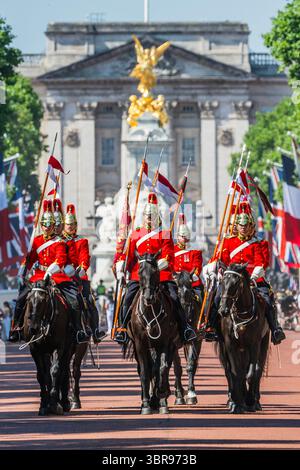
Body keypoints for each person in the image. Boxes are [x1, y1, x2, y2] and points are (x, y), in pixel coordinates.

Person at [113, 192, 196, 343]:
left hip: (161, 276)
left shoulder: (165, 234)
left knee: (175, 299)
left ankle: (185, 329)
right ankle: (122, 329)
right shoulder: (136, 234)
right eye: (147, 216)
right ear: (143, 217)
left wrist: (154, 268)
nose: (149, 219)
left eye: (152, 216)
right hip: (138, 277)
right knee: (126, 300)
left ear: (158, 216)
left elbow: (169, 257)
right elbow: (129, 256)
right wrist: (121, 268)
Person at [9, 200, 90, 344]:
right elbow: (30, 258)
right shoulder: (37, 241)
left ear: (54, 226)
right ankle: (17, 328)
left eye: (49, 225)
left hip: (57, 276)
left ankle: (78, 329)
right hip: (38, 276)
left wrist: (49, 273)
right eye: (44, 224)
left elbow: (60, 260)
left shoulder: (60, 242)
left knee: (74, 301)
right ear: (41, 225)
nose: (46, 227)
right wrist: (23, 270)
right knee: (21, 298)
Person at [204, 205, 285, 345]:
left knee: (267, 298)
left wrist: (253, 277)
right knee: (216, 297)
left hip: (253, 279)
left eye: (245, 225)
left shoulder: (257, 243)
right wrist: (216, 268)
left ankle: (275, 328)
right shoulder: (228, 241)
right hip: (232, 280)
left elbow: (260, 263)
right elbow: (223, 260)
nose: (243, 228)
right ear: (237, 226)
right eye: (240, 225)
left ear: (250, 226)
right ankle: (210, 326)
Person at [62, 203, 106, 343]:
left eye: (72, 224)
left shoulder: (82, 241)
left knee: (89, 302)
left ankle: (95, 331)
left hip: (78, 277)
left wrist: (80, 271)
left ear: (76, 225)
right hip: (61, 277)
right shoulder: (58, 241)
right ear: (64, 225)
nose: (70, 227)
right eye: (68, 224)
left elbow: (84, 259)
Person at [174, 213, 204, 301]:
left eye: (186, 236)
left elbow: (197, 266)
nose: (184, 238)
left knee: (200, 297)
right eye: (182, 236)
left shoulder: (195, 250)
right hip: (176, 282)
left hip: (191, 282)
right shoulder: (172, 250)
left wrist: (192, 277)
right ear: (177, 237)